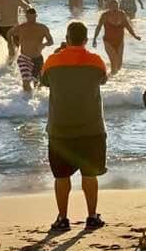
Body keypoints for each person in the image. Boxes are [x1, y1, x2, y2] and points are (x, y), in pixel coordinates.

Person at [41, 21, 108, 231]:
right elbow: (103, 80)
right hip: (92, 128)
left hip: (60, 128)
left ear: (67, 39)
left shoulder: (52, 61)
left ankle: (62, 217)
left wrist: (60, 54)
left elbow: (44, 82)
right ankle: (91, 217)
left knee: (61, 177)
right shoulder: (96, 61)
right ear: (86, 40)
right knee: (89, 174)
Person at [9, 8, 54, 92]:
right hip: (24, 58)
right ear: (26, 16)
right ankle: (25, 102)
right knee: (26, 82)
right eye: (29, 17)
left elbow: (51, 41)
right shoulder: (21, 27)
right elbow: (10, 33)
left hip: (37, 58)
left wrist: (44, 44)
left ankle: (35, 103)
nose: (31, 20)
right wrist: (10, 45)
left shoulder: (42, 28)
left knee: (38, 85)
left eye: (33, 17)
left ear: (36, 16)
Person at [93, 0, 141, 74]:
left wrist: (135, 35)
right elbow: (98, 27)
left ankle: (115, 79)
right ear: (109, 7)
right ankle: (111, 79)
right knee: (114, 60)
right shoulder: (105, 15)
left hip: (120, 41)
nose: (115, 8)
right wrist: (94, 39)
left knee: (119, 64)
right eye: (113, 6)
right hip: (108, 41)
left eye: (116, 6)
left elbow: (128, 26)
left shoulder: (122, 14)